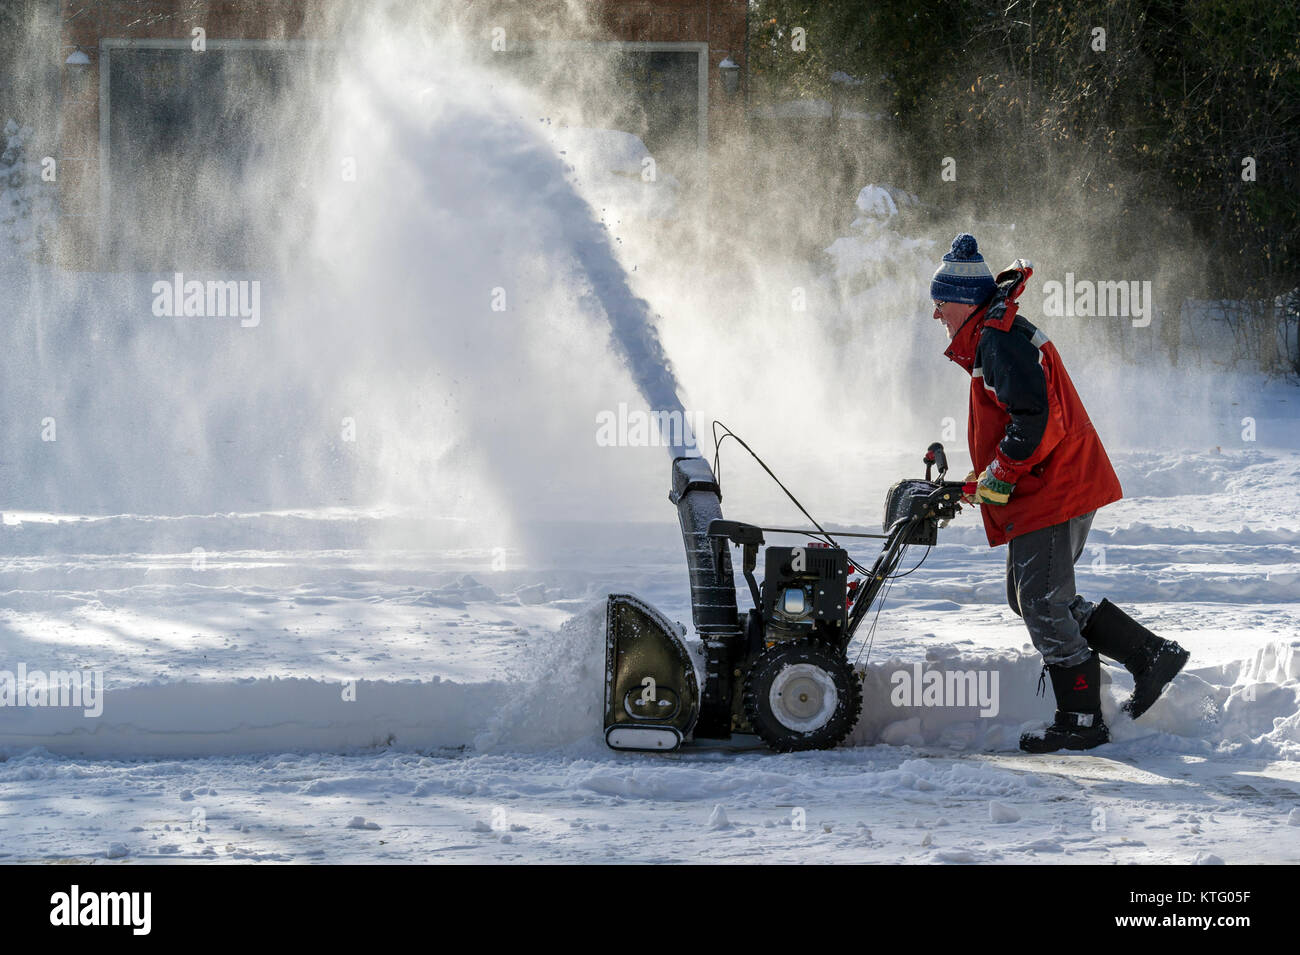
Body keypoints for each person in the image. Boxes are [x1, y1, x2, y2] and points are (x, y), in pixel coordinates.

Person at [930, 233, 1189, 753]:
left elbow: (1034, 418)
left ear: (960, 300)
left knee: (1043, 604)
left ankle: (1081, 719)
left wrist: (999, 474)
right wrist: (982, 483)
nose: (936, 315)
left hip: (1055, 486)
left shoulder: (997, 338)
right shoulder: (992, 335)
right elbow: (1021, 421)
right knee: (1028, 599)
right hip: (1048, 484)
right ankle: (1148, 656)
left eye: (939, 303)